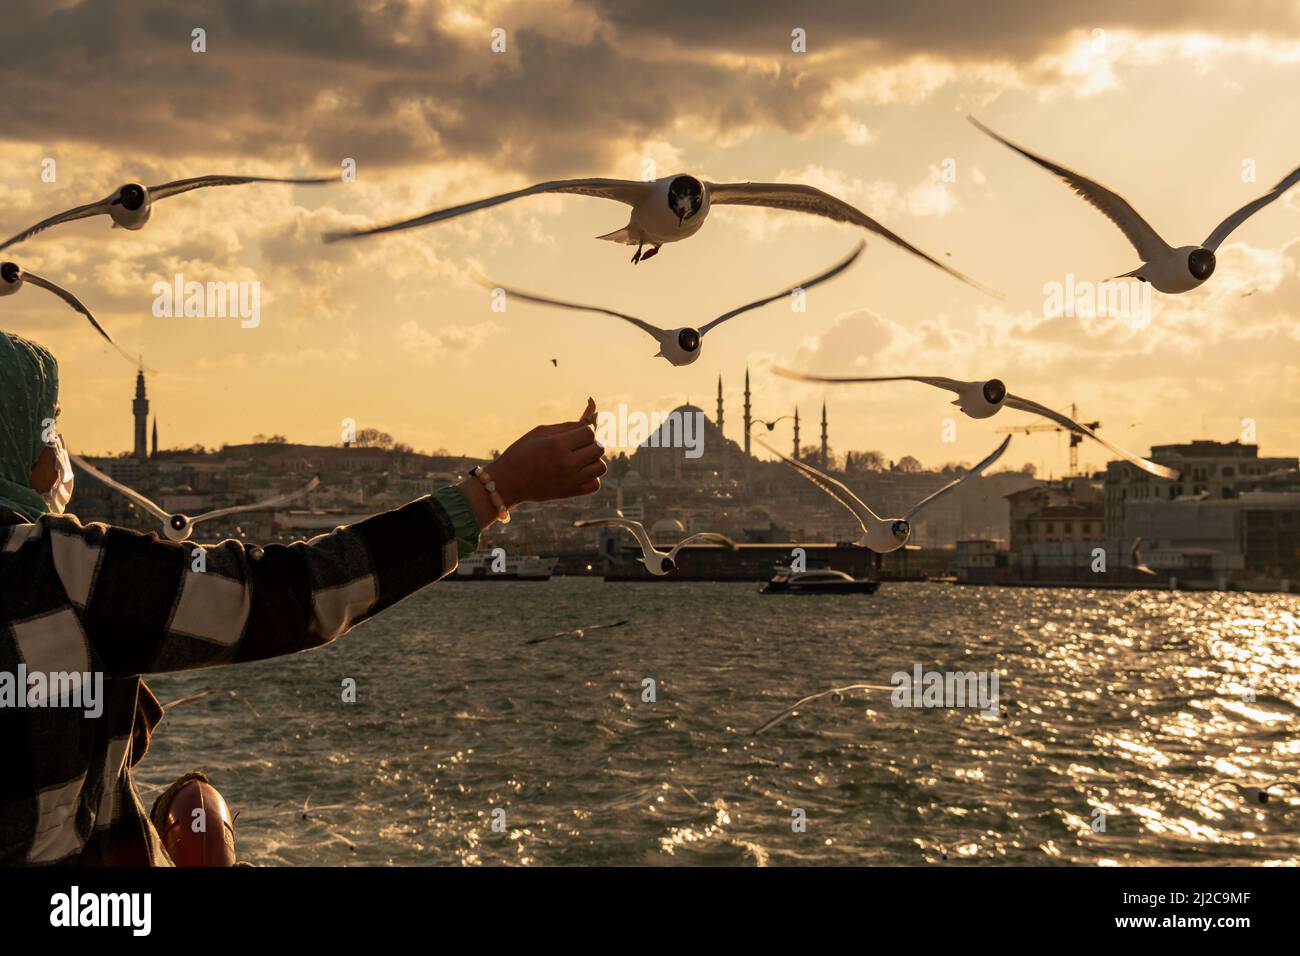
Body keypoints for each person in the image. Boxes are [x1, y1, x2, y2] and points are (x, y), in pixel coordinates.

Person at [0, 330, 607, 865]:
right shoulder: (56, 569)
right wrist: (494, 491)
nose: (61, 453)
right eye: (49, 427)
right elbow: (290, 594)